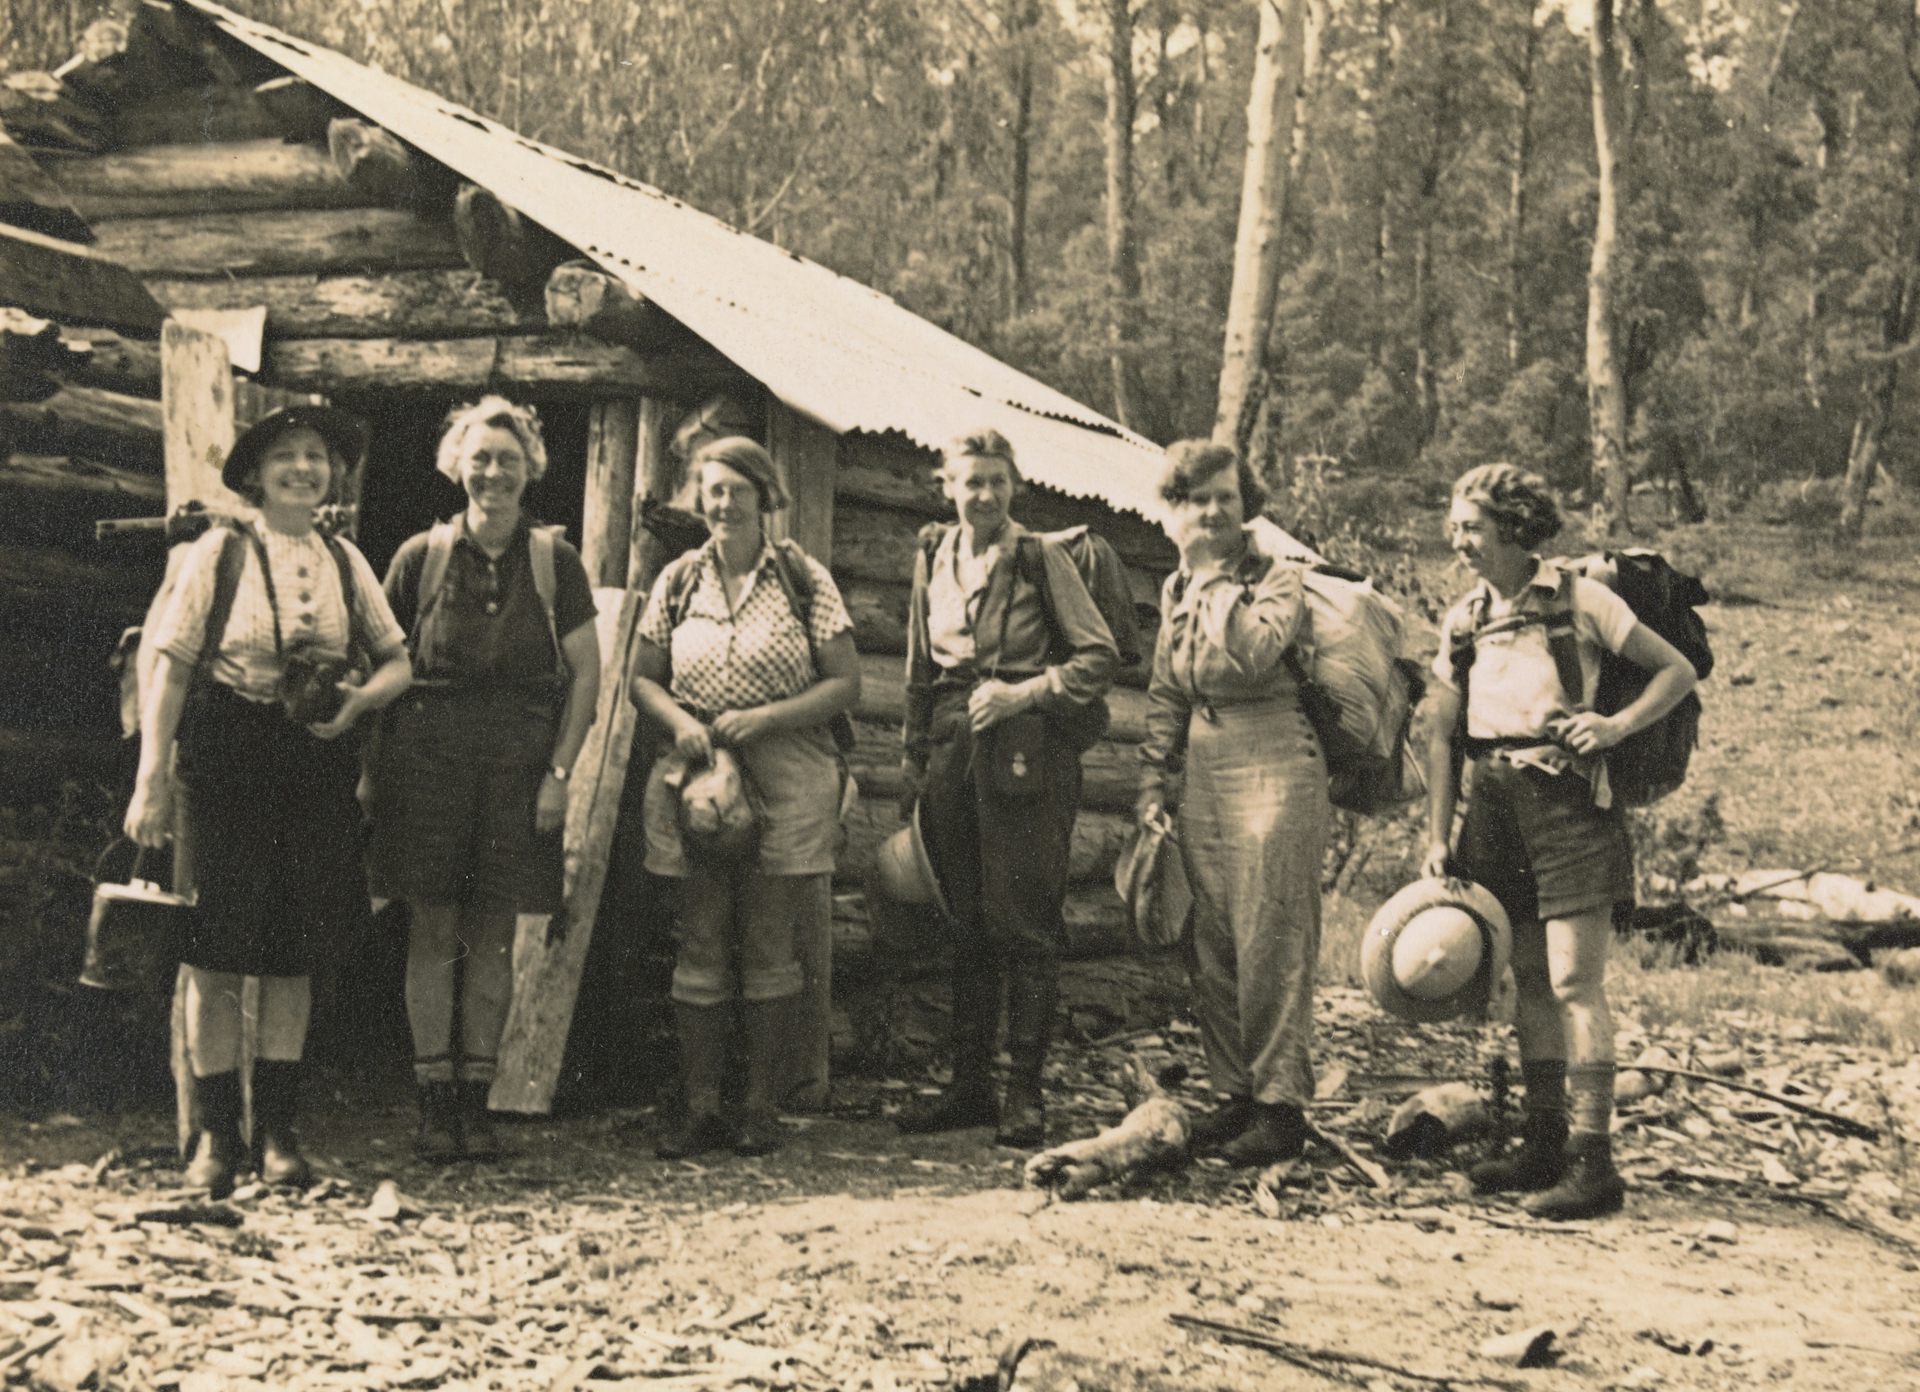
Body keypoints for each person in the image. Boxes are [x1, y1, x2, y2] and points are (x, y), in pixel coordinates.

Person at [125, 405, 412, 1197]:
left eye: (316, 456)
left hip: (313, 763)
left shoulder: (344, 558)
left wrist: (357, 706)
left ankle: (279, 1133)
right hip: (225, 759)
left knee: (294, 954)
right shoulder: (217, 552)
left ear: (333, 474)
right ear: (255, 474)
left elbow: (398, 662)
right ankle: (217, 1136)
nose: (303, 469)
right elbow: (171, 668)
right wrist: (152, 775)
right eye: (285, 456)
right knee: (215, 951)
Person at [1423, 463, 1697, 1219]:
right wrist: (1437, 834)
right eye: (1455, 526)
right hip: (1494, 807)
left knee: (1576, 981)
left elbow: (1677, 671)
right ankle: (1541, 1143)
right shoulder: (1463, 620)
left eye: (1473, 527)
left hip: (1571, 803)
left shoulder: (1581, 600)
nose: (1459, 540)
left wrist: (1614, 726)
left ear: (1515, 528)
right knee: (1531, 979)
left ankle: (1593, 1162)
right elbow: (1440, 733)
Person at [369, 397, 601, 1162]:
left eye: (508, 459)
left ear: (531, 467)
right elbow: (380, 663)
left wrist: (559, 774)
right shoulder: (421, 557)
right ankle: (435, 1106)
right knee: (433, 930)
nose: (493, 473)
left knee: (495, 937)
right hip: (427, 767)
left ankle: (477, 1106)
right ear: (456, 466)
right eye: (480, 458)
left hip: (518, 771)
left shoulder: (555, 563)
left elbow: (587, 676)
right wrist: (372, 774)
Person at [631, 436, 860, 1158]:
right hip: (697, 769)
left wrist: (767, 718)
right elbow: (642, 679)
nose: (724, 504)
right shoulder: (678, 580)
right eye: (713, 490)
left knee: (768, 937)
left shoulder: (803, 579)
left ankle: (760, 1106)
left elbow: (845, 683)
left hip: (787, 766)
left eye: (738, 490)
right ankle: (701, 1105)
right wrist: (680, 723)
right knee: (700, 935)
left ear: (766, 497)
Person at [895, 429, 1118, 1148]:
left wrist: (1023, 694)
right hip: (951, 746)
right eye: (971, 481)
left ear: (1014, 486)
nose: (985, 494)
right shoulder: (933, 554)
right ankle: (969, 1088)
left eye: (997, 480)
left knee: (1023, 921)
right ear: (948, 487)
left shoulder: (1038, 557)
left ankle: (1024, 1092)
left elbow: (1098, 656)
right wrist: (912, 757)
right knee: (964, 919)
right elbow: (919, 667)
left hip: (1028, 754)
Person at [1135, 440, 1330, 1166]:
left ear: (1248, 505)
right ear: (1174, 509)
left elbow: (1252, 652)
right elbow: (1168, 689)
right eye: (1198, 499)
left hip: (1275, 759)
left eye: (1227, 497)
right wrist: (1153, 777)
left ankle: (1282, 1108)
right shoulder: (1175, 587)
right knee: (1211, 937)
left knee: (1271, 934)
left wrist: (1215, 579)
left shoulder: (1277, 578)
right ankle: (1235, 1093)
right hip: (1206, 768)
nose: (1214, 511)